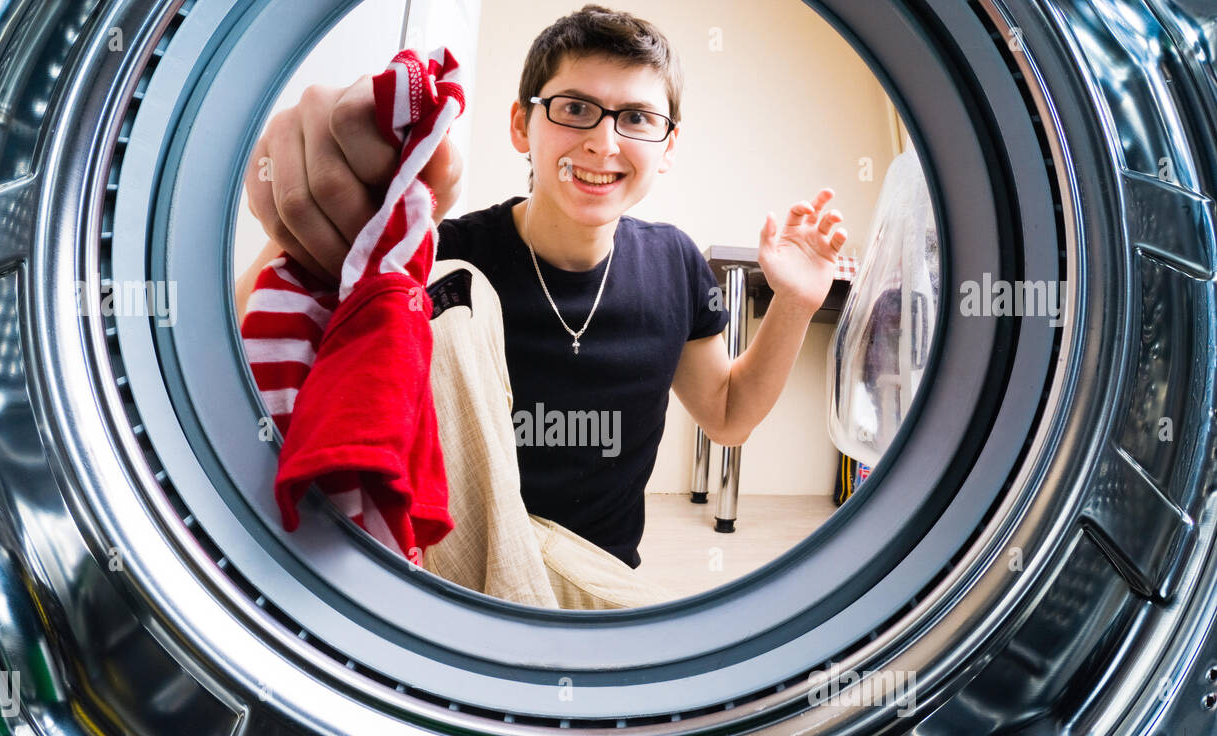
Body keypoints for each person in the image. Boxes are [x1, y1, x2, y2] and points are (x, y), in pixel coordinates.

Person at [236, 4, 847, 574]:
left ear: (667, 148)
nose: (603, 143)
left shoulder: (676, 263)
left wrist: (794, 303)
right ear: (522, 125)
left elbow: (728, 417)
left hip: (601, 579)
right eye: (575, 108)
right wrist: (312, 231)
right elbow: (258, 347)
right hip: (454, 569)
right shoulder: (444, 257)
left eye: (636, 118)